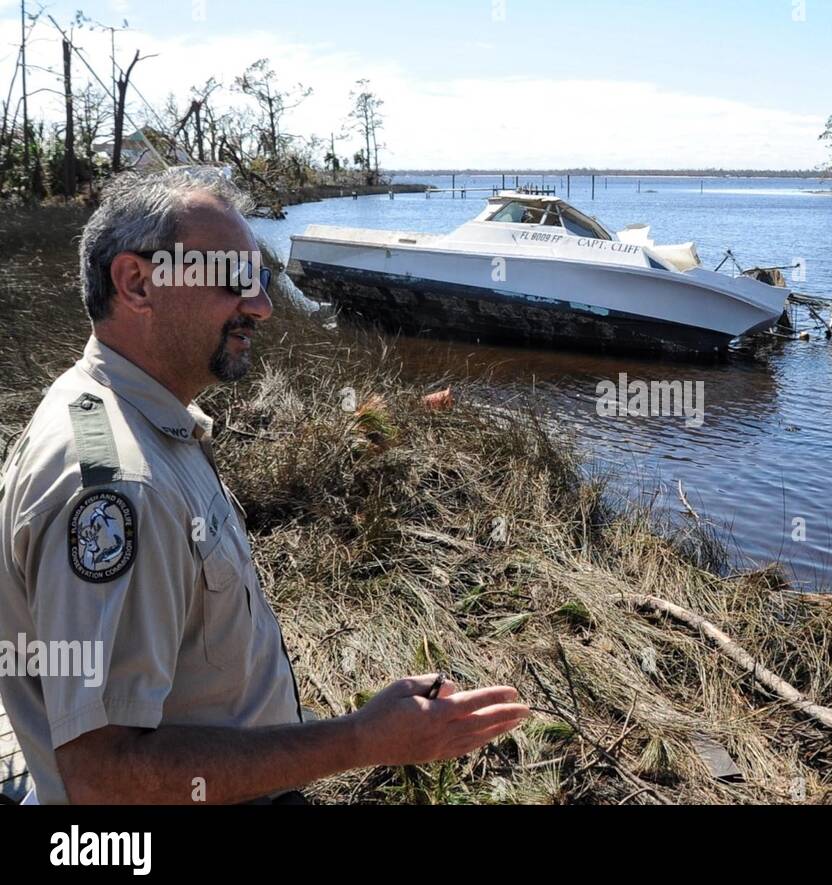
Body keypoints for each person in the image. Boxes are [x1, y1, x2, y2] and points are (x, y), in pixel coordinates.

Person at [0, 167, 529, 804]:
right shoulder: (121, 485)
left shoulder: (126, 416)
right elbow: (105, 777)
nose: (262, 304)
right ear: (137, 283)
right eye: (235, 278)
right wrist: (363, 739)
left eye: (264, 279)